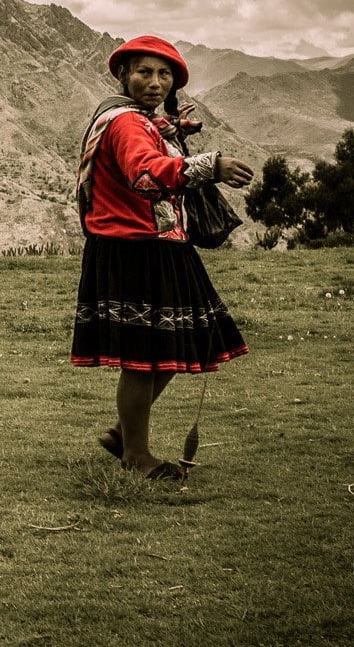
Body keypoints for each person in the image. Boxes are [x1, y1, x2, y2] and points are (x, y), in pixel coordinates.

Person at [71, 35, 254, 480]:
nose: (155, 83)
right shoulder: (128, 124)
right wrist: (212, 166)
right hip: (137, 247)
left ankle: (126, 432)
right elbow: (144, 172)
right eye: (144, 73)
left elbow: (149, 148)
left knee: (174, 345)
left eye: (164, 75)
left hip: (152, 242)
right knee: (145, 356)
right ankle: (135, 454)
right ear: (123, 75)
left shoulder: (135, 118)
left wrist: (173, 131)